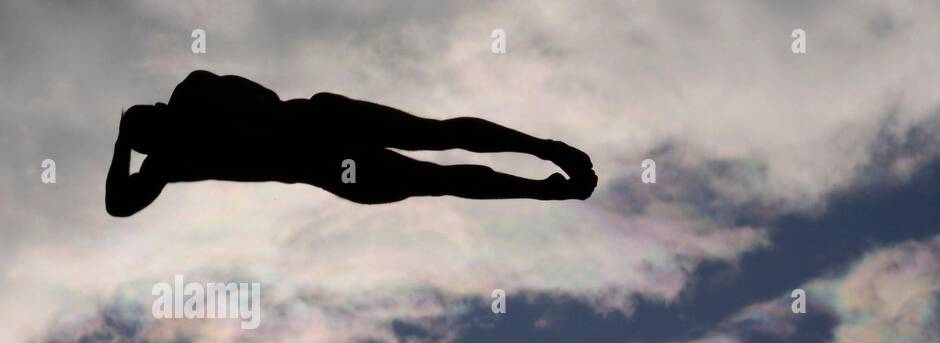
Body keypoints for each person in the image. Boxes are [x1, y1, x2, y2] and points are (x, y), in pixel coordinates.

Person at [106, 70, 597, 216]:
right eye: (142, 123)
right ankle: (545, 187)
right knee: (438, 172)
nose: (146, 113)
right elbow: (119, 205)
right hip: (326, 159)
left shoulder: (188, 108)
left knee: (436, 136)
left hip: (323, 123)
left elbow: (264, 96)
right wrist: (123, 142)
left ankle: (546, 150)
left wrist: (128, 142)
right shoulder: (171, 160)